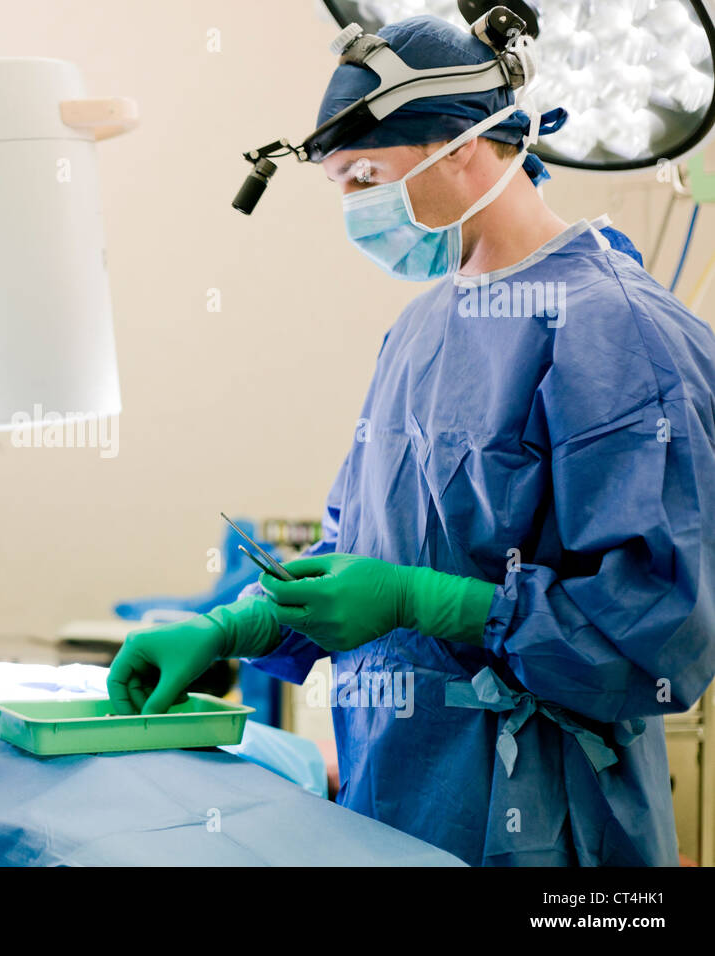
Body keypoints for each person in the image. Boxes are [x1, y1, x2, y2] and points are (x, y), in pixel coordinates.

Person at [109, 16, 715, 866]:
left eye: (367, 175)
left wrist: (430, 603)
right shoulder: (423, 328)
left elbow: (659, 634)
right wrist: (235, 628)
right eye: (340, 186)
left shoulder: (622, 332)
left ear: (463, 145)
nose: (356, 208)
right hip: (394, 799)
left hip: (547, 823)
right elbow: (361, 551)